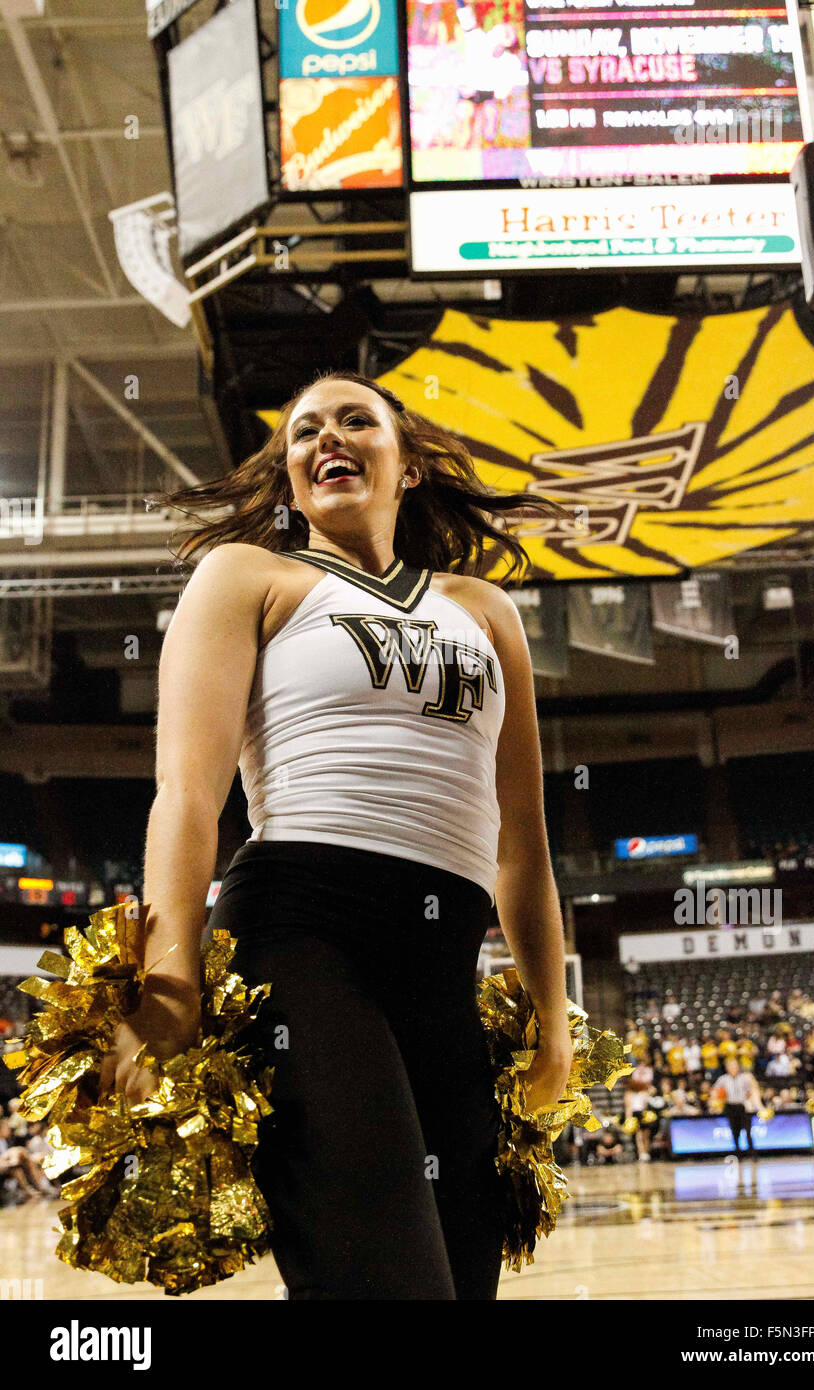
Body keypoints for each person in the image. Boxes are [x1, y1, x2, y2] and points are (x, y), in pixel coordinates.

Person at [97, 371, 574, 1302]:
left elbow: (525, 841)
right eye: (303, 432)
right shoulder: (248, 577)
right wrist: (170, 978)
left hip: (443, 963)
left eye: (357, 420)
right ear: (288, 481)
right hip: (299, 933)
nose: (327, 438)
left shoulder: (484, 611)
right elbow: (186, 797)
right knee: (388, 1278)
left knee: (462, 1276)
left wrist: (550, 1017)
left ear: (411, 466)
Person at [712, 1057, 761, 1157]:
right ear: (727, 1068)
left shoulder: (744, 1078)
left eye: (735, 1066)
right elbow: (715, 1091)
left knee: (748, 1130)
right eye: (731, 1066)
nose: (733, 1068)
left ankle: (752, 1153)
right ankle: (738, 1153)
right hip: (730, 1106)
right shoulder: (723, 1079)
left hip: (742, 1106)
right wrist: (717, 1100)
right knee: (735, 1130)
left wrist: (748, 1102)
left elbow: (750, 1091)